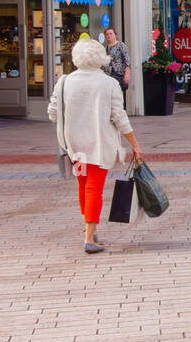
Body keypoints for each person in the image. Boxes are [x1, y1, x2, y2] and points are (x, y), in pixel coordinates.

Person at [47, 38, 144, 255]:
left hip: (74, 148)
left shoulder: (64, 82)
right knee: (94, 188)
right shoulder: (109, 84)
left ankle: (88, 228)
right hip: (98, 146)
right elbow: (119, 117)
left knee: (83, 185)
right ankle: (89, 237)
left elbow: (52, 113)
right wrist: (134, 144)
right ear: (100, 58)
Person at [102, 27, 131, 94]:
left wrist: (127, 74)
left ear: (115, 35)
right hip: (108, 75)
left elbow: (127, 60)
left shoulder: (121, 45)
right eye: (107, 34)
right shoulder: (105, 48)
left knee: (117, 94)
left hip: (118, 74)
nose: (108, 36)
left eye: (110, 34)